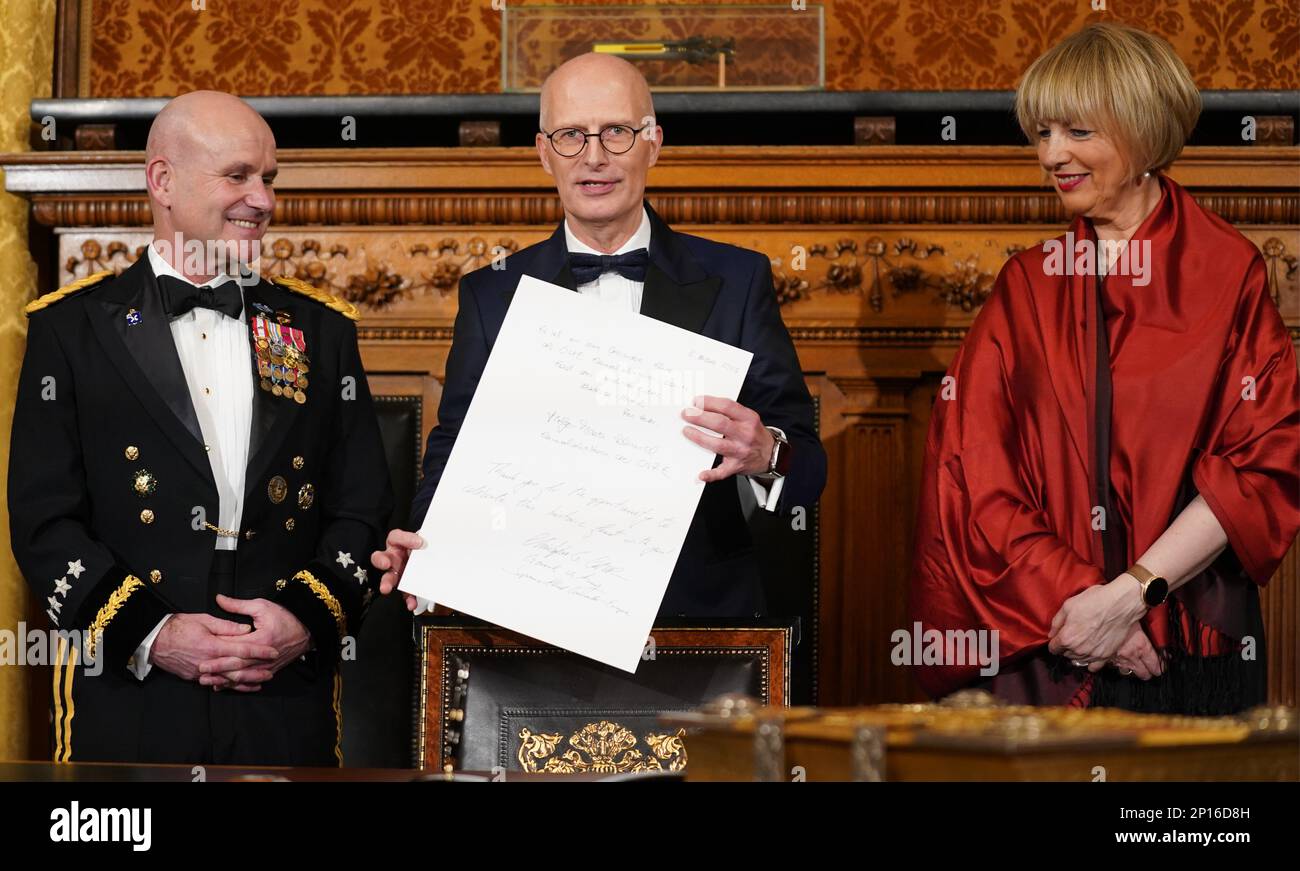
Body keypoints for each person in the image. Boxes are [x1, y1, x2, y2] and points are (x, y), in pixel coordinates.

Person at [909, 23, 1299, 713]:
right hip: (1057, 640)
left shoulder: (1227, 272)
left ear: (1143, 131)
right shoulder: (1026, 287)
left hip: (1191, 647)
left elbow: (1261, 466)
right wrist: (1083, 602)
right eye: (1042, 133)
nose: (1051, 154)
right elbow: (974, 475)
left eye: (1078, 132)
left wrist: (1130, 595)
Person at [8, 91, 393, 763]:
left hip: (284, 701)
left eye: (268, 178)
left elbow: (363, 508)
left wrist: (302, 620)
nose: (262, 200)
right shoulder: (71, 330)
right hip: (128, 700)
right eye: (237, 175)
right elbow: (44, 521)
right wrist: (155, 634)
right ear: (162, 181)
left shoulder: (320, 331)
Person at [373, 53, 826, 619]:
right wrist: (427, 550)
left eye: (616, 131)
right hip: (534, 614)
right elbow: (455, 452)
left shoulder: (738, 280)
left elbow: (809, 467)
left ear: (653, 143)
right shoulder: (491, 294)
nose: (594, 157)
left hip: (696, 617)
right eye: (571, 135)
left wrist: (767, 455)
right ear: (543, 153)